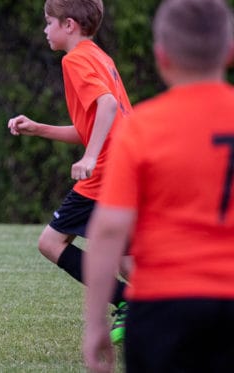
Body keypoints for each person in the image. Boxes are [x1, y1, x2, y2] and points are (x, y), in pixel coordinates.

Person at [82, 0, 234, 371]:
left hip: (162, 305)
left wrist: (96, 322)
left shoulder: (142, 128)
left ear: (161, 55)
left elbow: (109, 229)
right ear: (229, 53)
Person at [6, 0, 132, 344]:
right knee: (125, 259)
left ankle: (132, 305)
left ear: (69, 25)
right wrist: (38, 128)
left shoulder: (74, 60)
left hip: (105, 172)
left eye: (49, 22)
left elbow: (106, 106)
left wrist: (90, 159)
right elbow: (93, 126)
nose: (45, 30)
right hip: (126, 164)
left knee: (50, 242)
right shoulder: (100, 57)